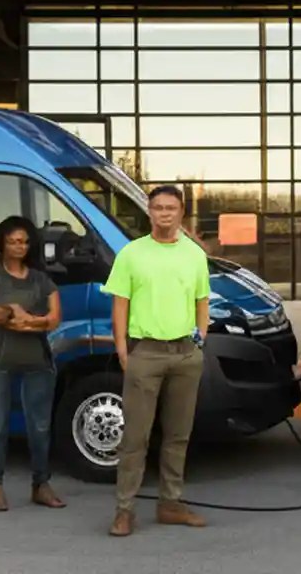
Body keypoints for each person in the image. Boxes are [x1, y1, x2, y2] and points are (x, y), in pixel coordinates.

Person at [104, 185, 210, 537]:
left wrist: (200, 340)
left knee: (178, 435)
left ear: (181, 213)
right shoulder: (131, 254)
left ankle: (170, 503)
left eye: (171, 208)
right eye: (158, 208)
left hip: (184, 353)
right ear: (149, 212)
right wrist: (122, 347)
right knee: (135, 436)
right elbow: (119, 303)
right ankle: (124, 510)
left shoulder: (194, 255)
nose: (165, 213)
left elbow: (202, 302)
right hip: (144, 352)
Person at [0, 215, 66, 512]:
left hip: (36, 359)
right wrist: (12, 313)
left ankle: (41, 484)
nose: (19, 246)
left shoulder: (41, 279)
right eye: (13, 241)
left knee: (39, 425)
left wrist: (30, 321)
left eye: (24, 241)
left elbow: (54, 318)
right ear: (2, 243)